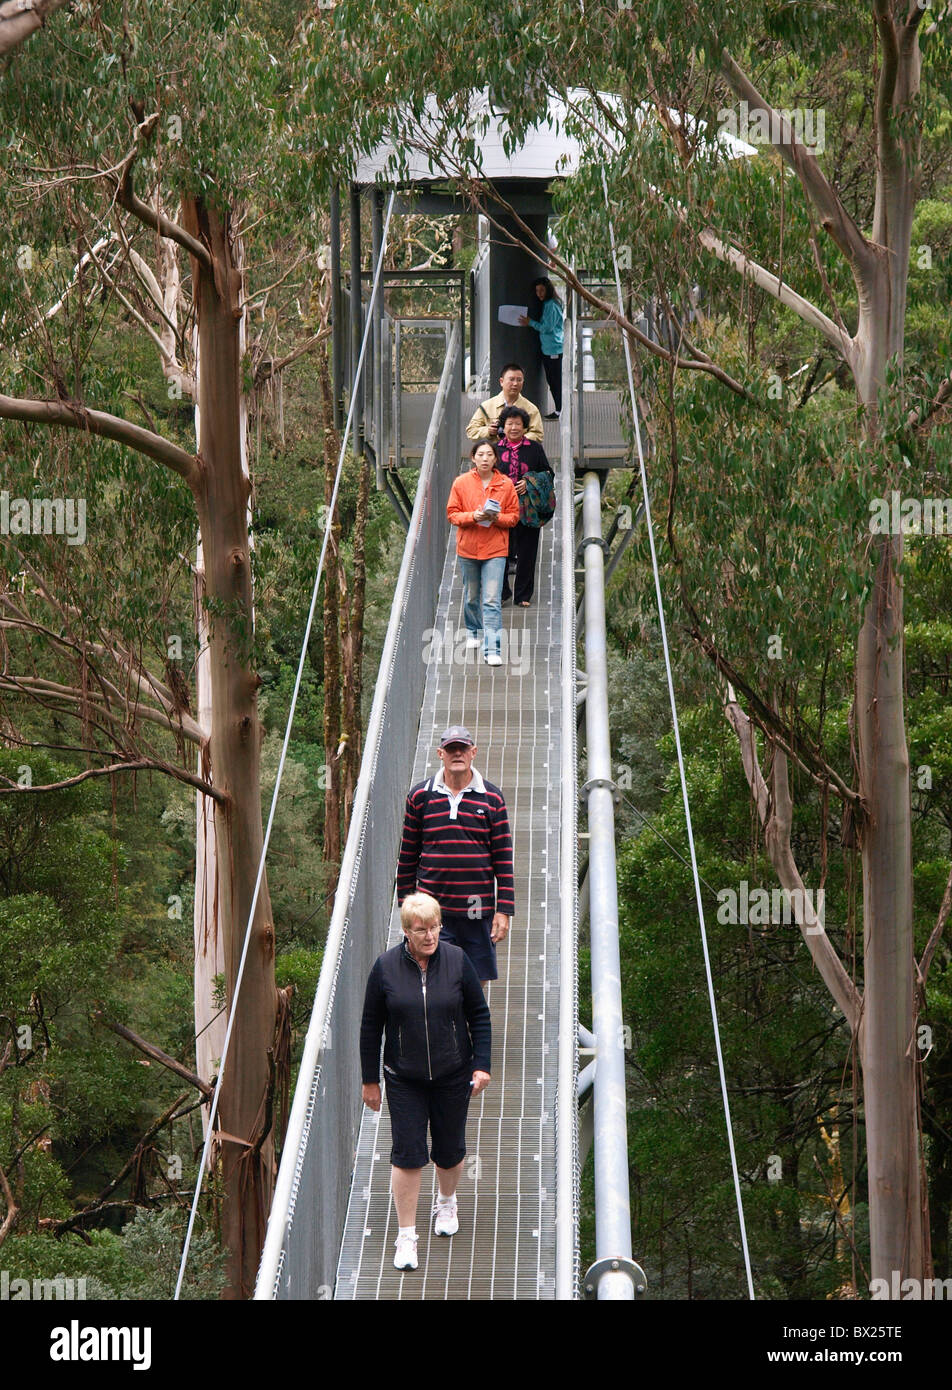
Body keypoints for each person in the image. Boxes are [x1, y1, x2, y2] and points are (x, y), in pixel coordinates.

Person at [360, 892, 491, 1271]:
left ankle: (447, 1202)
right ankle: (407, 1236)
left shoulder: (457, 961)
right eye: (422, 930)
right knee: (408, 1153)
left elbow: (479, 1016)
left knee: (450, 1149)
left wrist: (481, 1065)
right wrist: (371, 1081)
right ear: (406, 931)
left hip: (453, 1074)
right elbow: (371, 1027)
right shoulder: (385, 968)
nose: (430, 936)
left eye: (435, 927)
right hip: (404, 1078)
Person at [397, 725, 514, 988]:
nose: (457, 753)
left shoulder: (492, 799)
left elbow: (503, 859)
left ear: (474, 752)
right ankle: (445, 1029)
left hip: (477, 909)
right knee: (433, 979)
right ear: (440, 753)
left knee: (475, 981)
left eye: (462, 748)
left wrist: (503, 910)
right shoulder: (420, 796)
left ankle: (468, 1028)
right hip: (431, 911)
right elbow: (407, 855)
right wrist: (406, 905)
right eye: (451, 749)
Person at [446, 438, 519, 666]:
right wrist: (473, 517)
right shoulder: (461, 483)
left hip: (495, 548)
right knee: (471, 595)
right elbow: (452, 514)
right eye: (481, 455)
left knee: (491, 599)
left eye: (489, 455)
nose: (485, 459)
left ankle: (493, 648)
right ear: (473, 458)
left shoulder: (506, 484)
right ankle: (473, 630)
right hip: (468, 547)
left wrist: (497, 518)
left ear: (496, 458)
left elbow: (514, 517)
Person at [495, 405, 554, 607]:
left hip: (527, 508)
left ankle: (523, 596)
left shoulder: (534, 448)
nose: (513, 427)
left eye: (517, 424)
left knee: (528, 551)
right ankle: (502, 593)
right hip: (501, 507)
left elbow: (548, 474)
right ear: (503, 426)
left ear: (525, 427)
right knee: (500, 551)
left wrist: (528, 482)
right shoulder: (495, 449)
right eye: (509, 423)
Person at [465, 363, 544, 442]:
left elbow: (538, 434)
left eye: (519, 380)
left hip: (521, 452)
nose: (515, 383)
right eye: (511, 379)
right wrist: (488, 431)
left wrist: (518, 439)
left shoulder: (531, 409)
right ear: (501, 381)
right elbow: (471, 431)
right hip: (494, 452)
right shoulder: (487, 406)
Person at [520, 278, 563, 418]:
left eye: (542, 290)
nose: (539, 294)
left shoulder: (551, 305)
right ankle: (559, 409)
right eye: (537, 291)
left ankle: (559, 410)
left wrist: (530, 322)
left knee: (555, 381)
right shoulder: (548, 304)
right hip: (548, 348)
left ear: (548, 289)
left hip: (553, 349)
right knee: (552, 380)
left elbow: (547, 327)